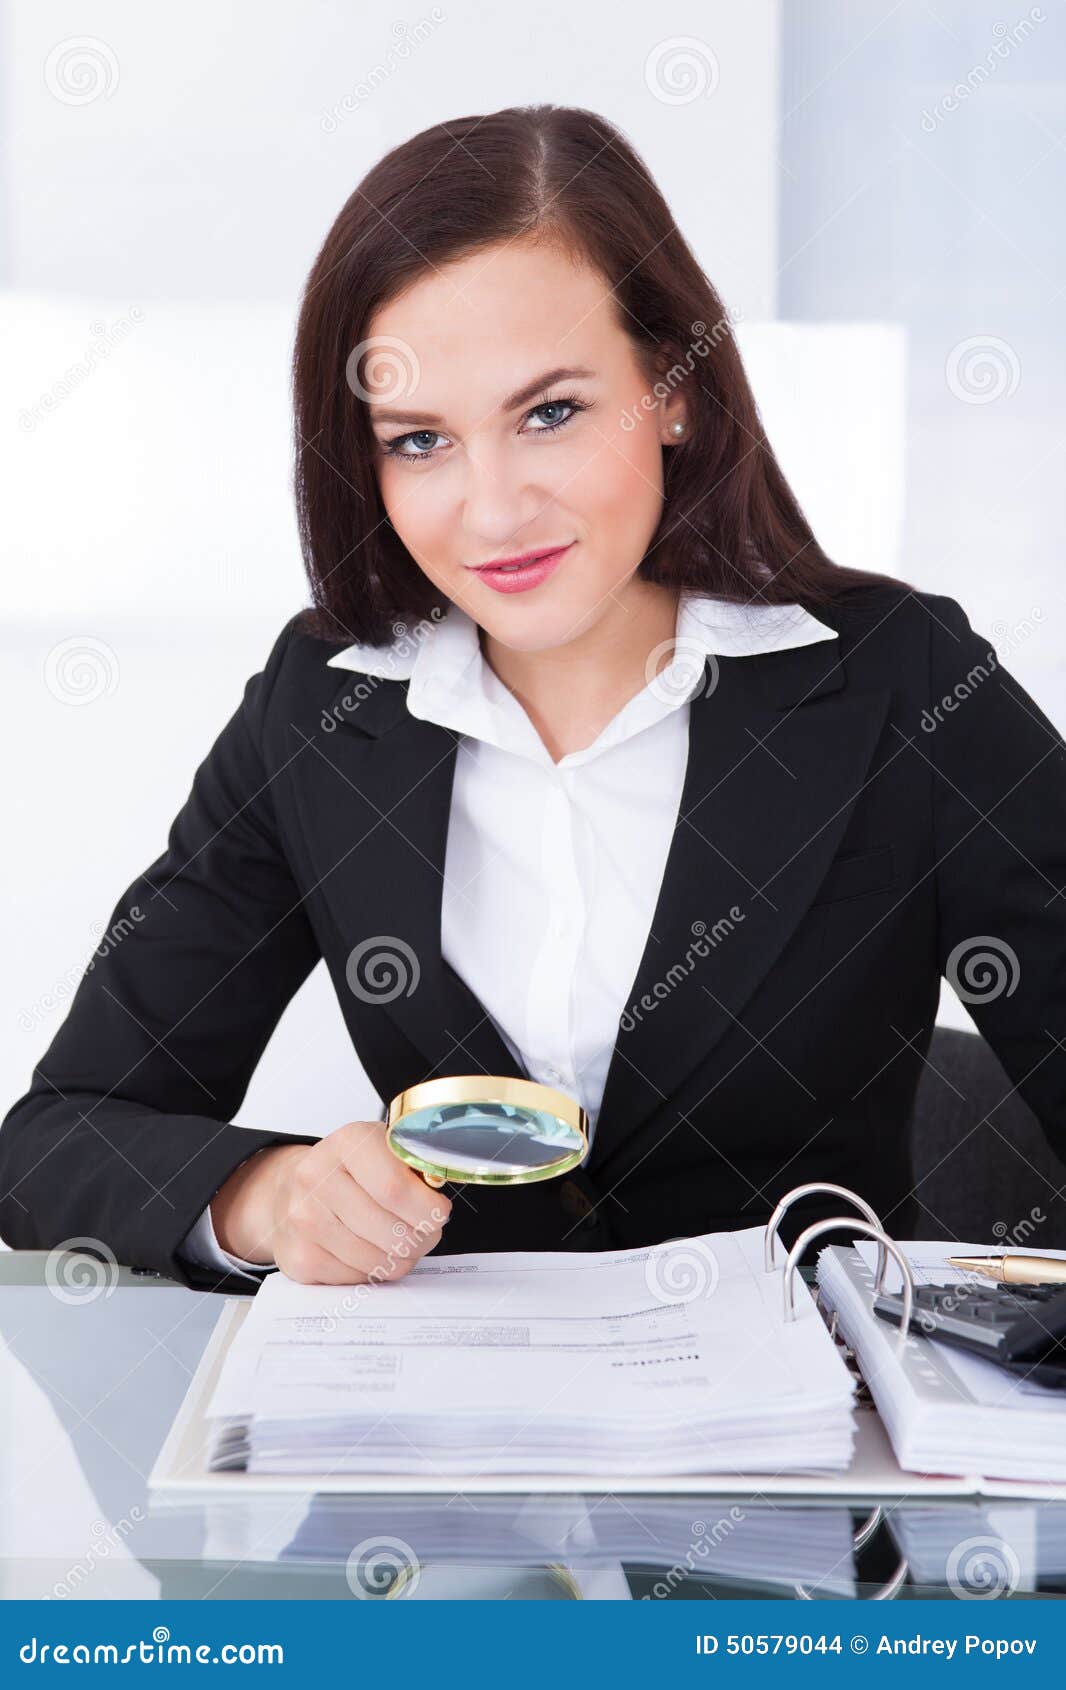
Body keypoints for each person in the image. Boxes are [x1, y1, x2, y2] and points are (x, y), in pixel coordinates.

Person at [2, 104, 1064, 1294]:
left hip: (816, 1455)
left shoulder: (900, 682)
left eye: (547, 413)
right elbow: (59, 1138)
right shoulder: (324, 711)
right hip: (450, 1455)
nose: (492, 510)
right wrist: (268, 1196)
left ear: (674, 391)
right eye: (417, 440)